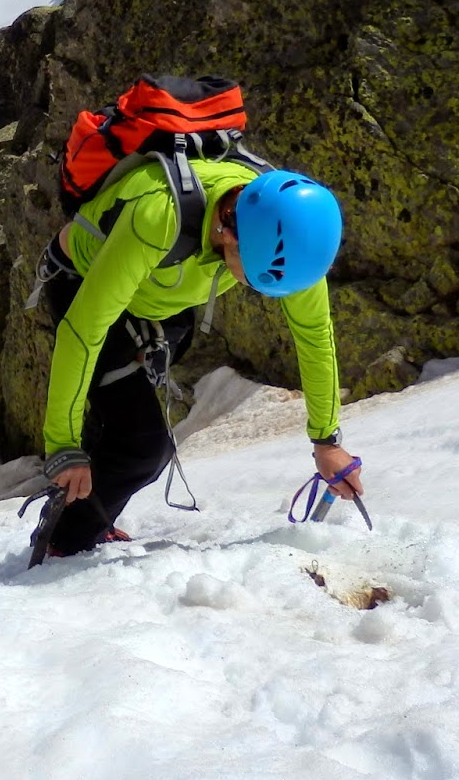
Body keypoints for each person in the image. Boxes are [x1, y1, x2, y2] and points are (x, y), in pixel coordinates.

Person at [33, 161, 361, 558]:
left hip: (159, 294)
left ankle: (90, 504)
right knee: (142, 447)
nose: (261, 293)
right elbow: (82, 333)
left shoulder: (288, 231)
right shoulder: (159, 218)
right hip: (84, 282)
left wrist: (326, 440)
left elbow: (314, 336)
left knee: (123, 422)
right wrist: (63, 446)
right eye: (258, 282)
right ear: (229, 237)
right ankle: (64, 546)